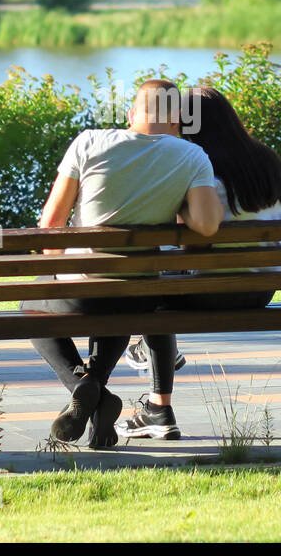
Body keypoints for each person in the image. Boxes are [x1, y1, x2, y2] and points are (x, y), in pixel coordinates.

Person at [28, 80, 224, 449]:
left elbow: (51, 224)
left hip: (84, 288)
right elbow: (207, 225)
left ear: (133, 114)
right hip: (139, 295)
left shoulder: (89, 141)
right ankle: (96, 398)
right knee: (122, 297)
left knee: (31, 307)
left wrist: (55, 275)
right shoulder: (192, 156)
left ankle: (85, 388)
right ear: (178, 118)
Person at [118, 85, 281, 440]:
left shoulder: (196, 170)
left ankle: (158, 406)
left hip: (211, 291)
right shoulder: (267, 162)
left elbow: (173, 234)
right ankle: (154, 366)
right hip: (261, 289)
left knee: (150, 294)